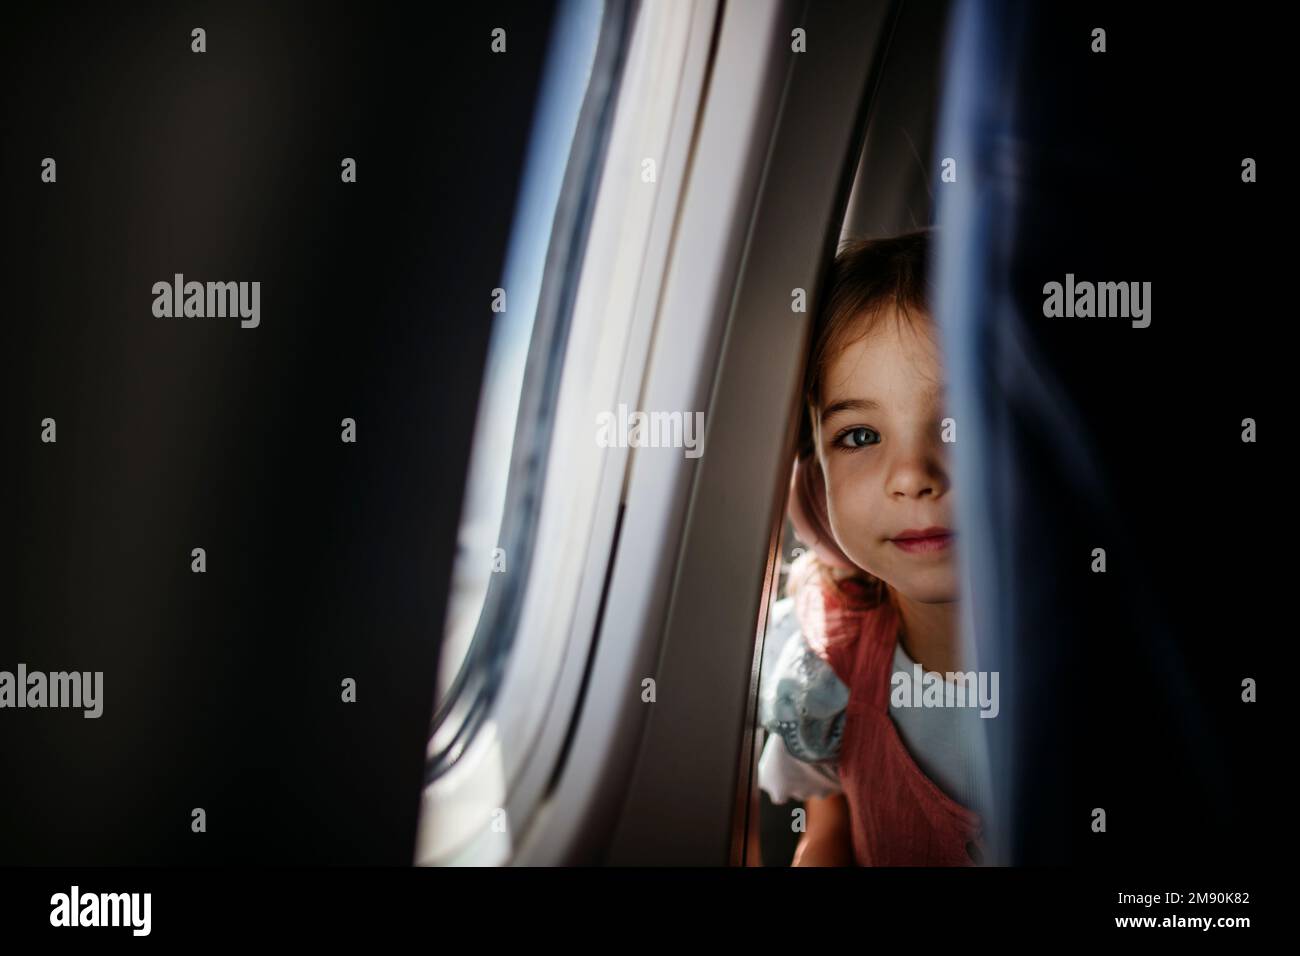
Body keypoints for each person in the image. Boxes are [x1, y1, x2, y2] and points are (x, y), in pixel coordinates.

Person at [757, 229, 986, 866]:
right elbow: (830, 822)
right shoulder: (830, 674)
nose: (912, 473)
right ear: (815, 471)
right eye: (860, 435)